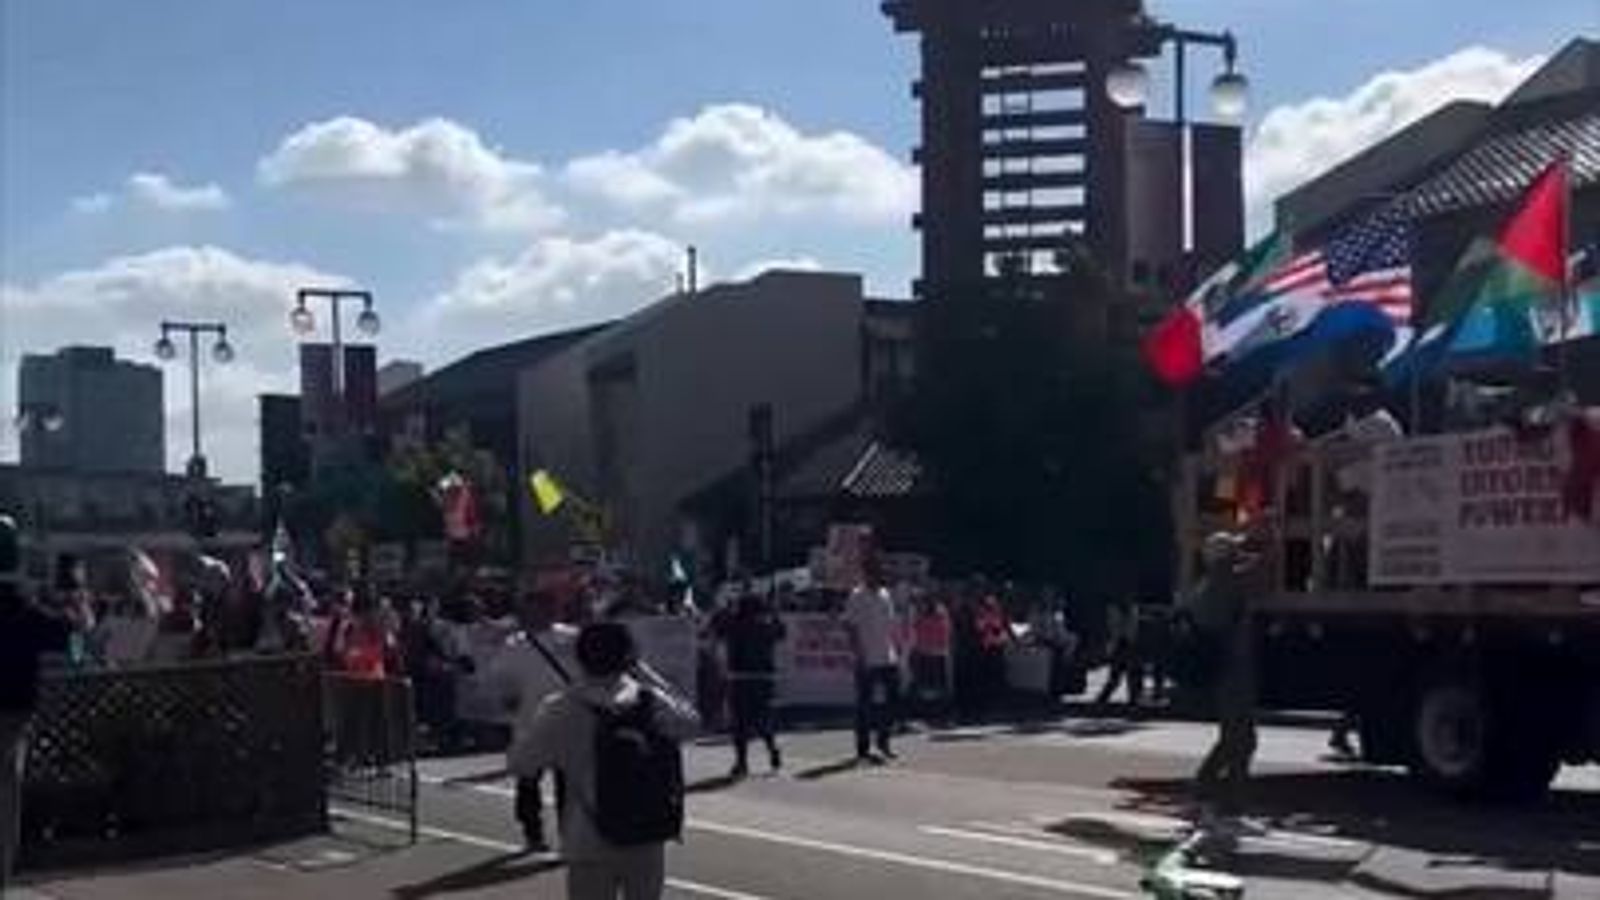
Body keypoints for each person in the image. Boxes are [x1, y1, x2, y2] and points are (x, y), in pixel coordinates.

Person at [510, 622, 699, 900]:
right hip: (647, 832)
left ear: (580, 658)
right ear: (629, 656)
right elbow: (691, 722)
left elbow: (521, 764)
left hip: (589, 836)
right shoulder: (651, 701)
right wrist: (646, 675)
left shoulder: (561, 707)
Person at [1, 514, 89, 891]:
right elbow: (76, 650)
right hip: (11, 720)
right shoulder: (24, 611)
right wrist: (77, 605)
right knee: (4, 806)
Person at [492, 589, 578, 852]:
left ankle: (570, 835)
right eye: (535, 607)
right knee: (528, 780)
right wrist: (509, 698)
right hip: (531, 723)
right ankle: (533, 832)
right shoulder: (514, 644)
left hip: (568, 721)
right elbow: (503, 683)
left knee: (570, 785)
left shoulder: (573, 637)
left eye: (548, 606)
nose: (543, 612)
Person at [1188, 530, 1263, 823]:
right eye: (1232, 554)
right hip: (1231, 670)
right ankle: (1217, 792)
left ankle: (1224, 794)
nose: (1237, 558)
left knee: (1238, 737)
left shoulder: (1211, 585)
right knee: (1240, 738)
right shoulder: (1224, 584)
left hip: (1230, 669)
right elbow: (1260, 571)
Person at [710, 592, 787, 777]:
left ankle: (742, 762)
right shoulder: (765, 626)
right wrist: (775, 612)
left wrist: (724, 609)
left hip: (740, 678)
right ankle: (772, 748)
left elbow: (716, 628)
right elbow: (782, 633)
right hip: (763, 678)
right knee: (762, 719)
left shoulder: (735, 626)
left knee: (740, 723)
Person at [842, 558, 901, 763]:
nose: (879, 577)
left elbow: (892, 624)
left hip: (887, 655)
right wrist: (858, 654)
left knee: (893, 700)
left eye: (881, 574)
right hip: (866, 658)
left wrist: (897, 648)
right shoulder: (857, 596)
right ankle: (863, 748)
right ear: (867, 575)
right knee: (864, 705)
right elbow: (849, 626)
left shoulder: (885, 595)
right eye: (875, 573)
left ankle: (883, 740)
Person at [1095, 600, 1144, 712]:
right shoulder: (1115, 609)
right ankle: (1102, 700)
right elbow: (1115, 629)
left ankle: (1133, 700)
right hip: (1121, 644)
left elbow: (1131, 628)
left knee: (1130, 674)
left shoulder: (1132, 609)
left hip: (1128, 643)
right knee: (1118, 675)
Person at [909, 592, 953, 709]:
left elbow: (946, 631)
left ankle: (937, 708)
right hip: (928, 652)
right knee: (930, 684)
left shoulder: (938, 614)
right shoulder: (930, 614)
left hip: (934, 652)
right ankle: (931, 708)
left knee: (934, 683)